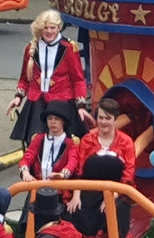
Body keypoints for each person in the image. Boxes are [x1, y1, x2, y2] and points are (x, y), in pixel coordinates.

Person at [67, 97, 138, 238]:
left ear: (115, 120)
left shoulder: (125, 142)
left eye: (108, 118)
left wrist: (112, 196)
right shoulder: (87, 140)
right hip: (90, 190)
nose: (103, 122)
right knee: (77, 211)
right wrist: (76, 195)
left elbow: (128, 174)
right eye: (100, 118)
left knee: (115, 216)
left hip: (118, 192)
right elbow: (80, 171)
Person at [6, 10, 92, 147]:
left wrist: (81, 105)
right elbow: (24, 79)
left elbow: (78, 79)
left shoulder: (68, 48)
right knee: (35, 140)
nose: (49, 31)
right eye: (46, 28)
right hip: (37, 101)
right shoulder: (30, 49)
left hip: (62, 102)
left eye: (53, 28)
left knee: (63, 142)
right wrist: (18, 97)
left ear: (59, 28)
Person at [18, 102, 80, 183]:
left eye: (57, 119)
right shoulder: (39, 138)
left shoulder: (70, 143)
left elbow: (73, 161)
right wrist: (25, 171)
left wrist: (62, 175)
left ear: (63, 121)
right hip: (38, 186)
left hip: (59, 189)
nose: (53, 122)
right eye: (50, 118)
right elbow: (27, 156)